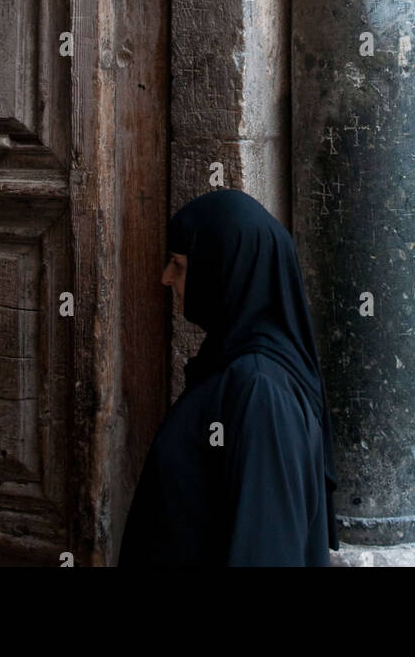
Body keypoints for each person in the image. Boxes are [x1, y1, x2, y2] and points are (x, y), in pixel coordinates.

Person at [118, 187, 339, 567]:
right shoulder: (238, 368)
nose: (165, 278)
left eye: (180, 265)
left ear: (226, 271)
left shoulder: (260, 391)